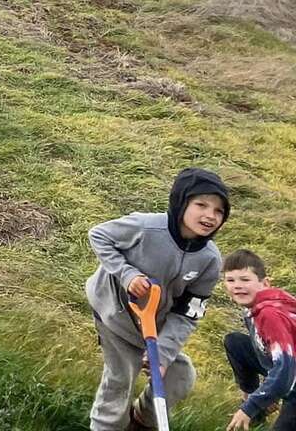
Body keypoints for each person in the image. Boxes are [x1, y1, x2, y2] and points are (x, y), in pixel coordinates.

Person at [85, 168, 229, 431]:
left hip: (154, 323)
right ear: (181, 202)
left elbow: (188, 314)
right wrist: (127, 274)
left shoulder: (209, 260)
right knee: (121, 381)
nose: (210, 215)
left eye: (219, 211)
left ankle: (141, 422)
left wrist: (161, 356)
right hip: (115, 315)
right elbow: (99, 235)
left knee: (180, 376)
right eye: (201, 205)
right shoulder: (146, 227)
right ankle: (107, 426)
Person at [221, 249, 296, 431]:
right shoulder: (254, 307)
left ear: (265, 283)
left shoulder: (270, 314)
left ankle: (254, 408)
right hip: (288, 371)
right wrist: (263, 395)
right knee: (235, 342)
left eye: (245, 280)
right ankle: (257, 404)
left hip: (292, 378)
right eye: (231, 280)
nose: (237, 286)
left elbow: (286, 368)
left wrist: (251, 407)